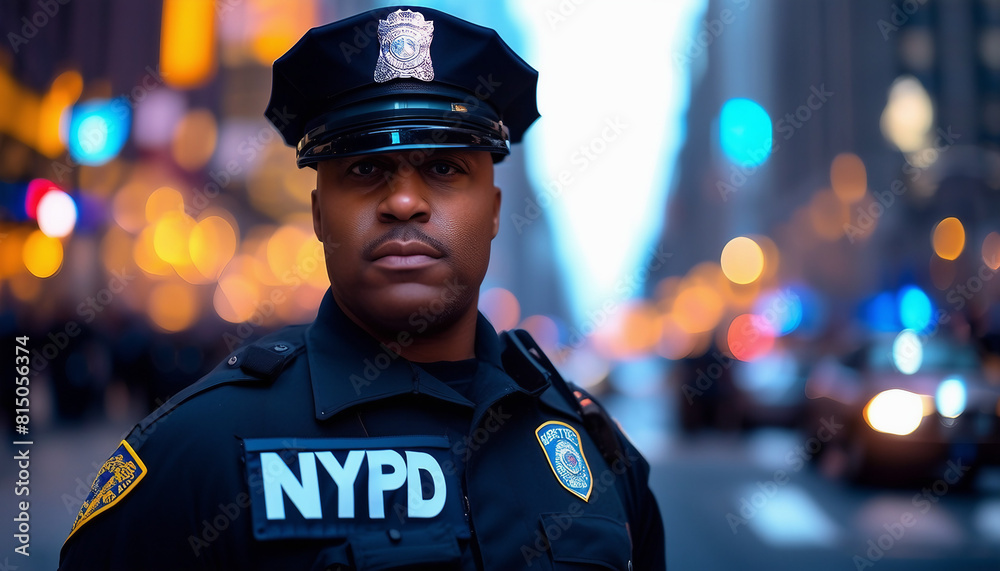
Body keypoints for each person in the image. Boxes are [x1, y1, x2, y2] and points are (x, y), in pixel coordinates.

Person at [59, 6, 665, 569]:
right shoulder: (198, 451)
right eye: (366, 168)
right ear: (320, 214)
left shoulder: (592, 451)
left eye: (445, 168)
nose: (403, 200)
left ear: (495, 210)